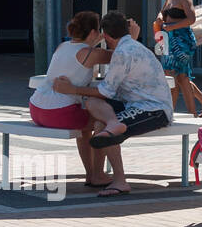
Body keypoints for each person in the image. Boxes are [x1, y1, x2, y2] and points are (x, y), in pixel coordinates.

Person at [50, 11, 173, 197]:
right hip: (134, 104)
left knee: (106, 128)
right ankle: (98, 175)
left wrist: (72, 89)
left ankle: (120, 181)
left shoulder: (123, 53)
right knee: (95, 109)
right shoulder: (128, 46)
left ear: (105, 36)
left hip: (153, 109)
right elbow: (104, 93)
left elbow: (104, 91)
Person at [30, 11, 113, 186]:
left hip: (37, 108)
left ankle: (91, 174)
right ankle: (97, 174)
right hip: (59, 113)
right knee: (105, 122)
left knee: (84, 127)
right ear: (92, 33)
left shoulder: (63, 46)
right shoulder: (92, 54)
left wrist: (96, 40)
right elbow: (121, 55)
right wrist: (132, 37)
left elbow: (81, 50)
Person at [154, 0, 202, 117]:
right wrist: (160, 18)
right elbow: (162, 12)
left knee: (171, 75)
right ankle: (195, 109)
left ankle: (170, 113)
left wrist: (172, 26)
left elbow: (191, 18)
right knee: (181, 78)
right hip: (170, 40)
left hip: (181, 41)